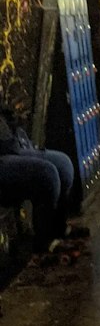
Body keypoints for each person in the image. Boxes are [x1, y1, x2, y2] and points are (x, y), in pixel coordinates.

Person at [0, 98, 80, 259]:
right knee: (46, 174)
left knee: (63, 165)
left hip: (10, 146)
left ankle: (59, 229)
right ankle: (44, 242)